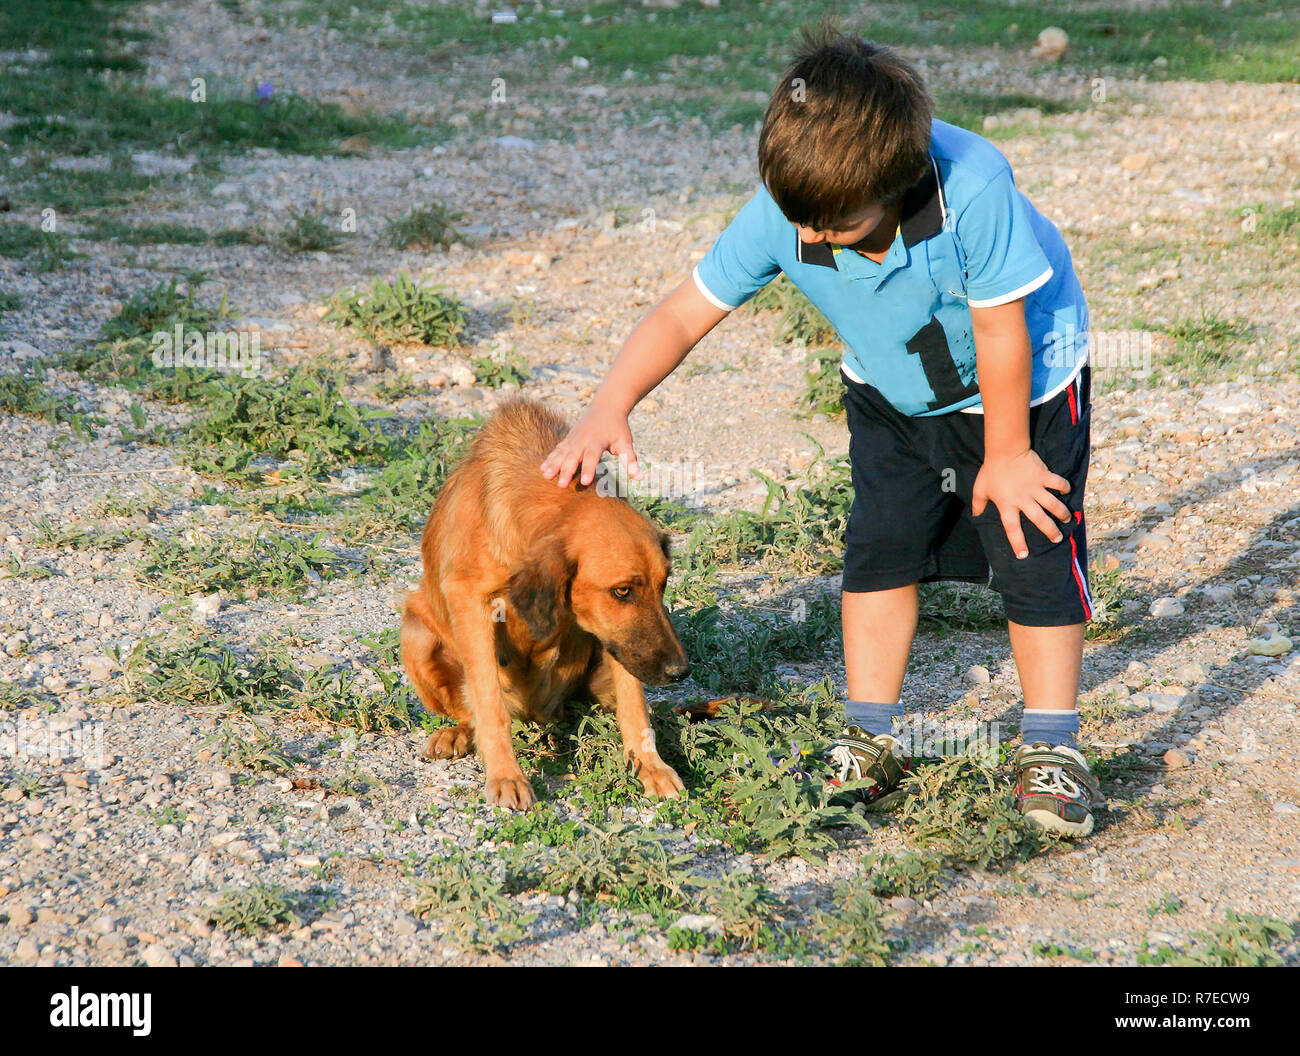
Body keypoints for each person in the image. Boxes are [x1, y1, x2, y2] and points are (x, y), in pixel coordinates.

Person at [541, 26, 1103, 837]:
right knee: (878, 550)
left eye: (833, 223)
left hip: (1024, 386)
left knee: (1031, 546)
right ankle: (871, 735)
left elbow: (1002, 331)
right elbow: (684, 311)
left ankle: (1052, 749)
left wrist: (1009, 453)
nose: (810, 238)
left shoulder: (973, 189)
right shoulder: (793, 207)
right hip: (891, 390)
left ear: (899, 179)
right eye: (798, 218)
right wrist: (609, 404)